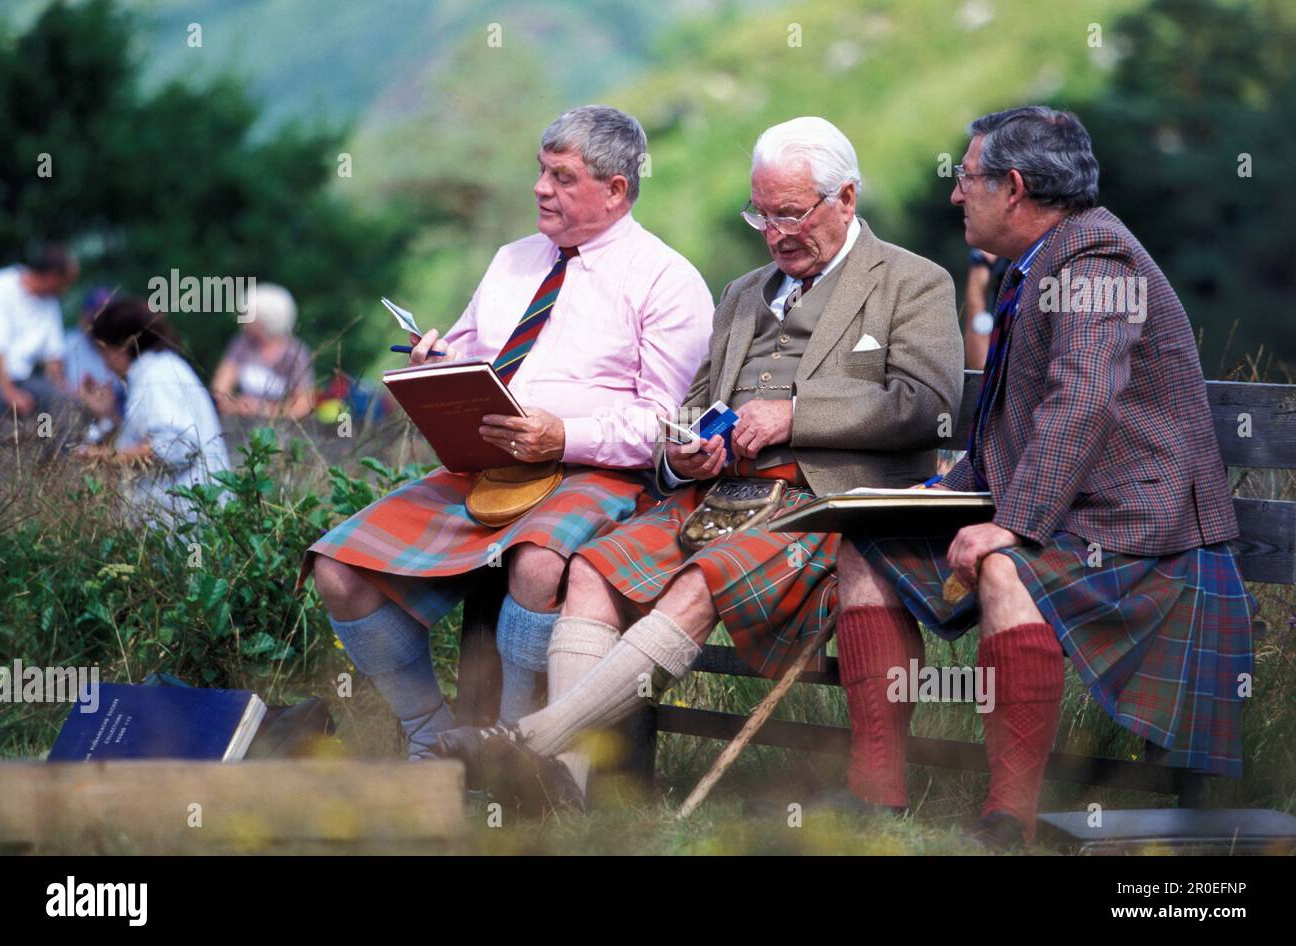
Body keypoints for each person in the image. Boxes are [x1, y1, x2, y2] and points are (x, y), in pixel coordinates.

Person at [431, 116, 965, 812]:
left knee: (700, 579)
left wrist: (795, 414)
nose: (776, 233)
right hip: (716, 495)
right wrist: (687, 451)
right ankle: (569, 783)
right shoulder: (744, 292)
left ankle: (530, 741)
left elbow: (927, 404)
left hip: (824, 505)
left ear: (846, 199)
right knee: (592, 570)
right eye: (762, 215)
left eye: (792, 214)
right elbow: (690, 406)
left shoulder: (911, 282)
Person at [834, 106, 1253, 849]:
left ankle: (1009, 818)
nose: (956, 194)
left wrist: (1015, 522)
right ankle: (874, 799)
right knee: (865, 546)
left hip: (1134, 529)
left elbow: (1082, 395)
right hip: (1070, 509)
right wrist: (923, 498)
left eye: (967, 179)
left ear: (1015, 186)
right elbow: (1014, 424)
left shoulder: (1096, 262)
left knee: (1003, 567)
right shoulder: (1036, 265)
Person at [300, 105, 714, 761]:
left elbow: (666, 425)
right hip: (486, 472)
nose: (540, 188)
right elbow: (472, 358)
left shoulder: (668, 280)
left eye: (562, 176)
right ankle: (427, 732)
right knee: (336, 569)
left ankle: (513, 747)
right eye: (540, 171)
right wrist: (436, 367)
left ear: (616, 190)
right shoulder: (513, 261)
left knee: (537, 562)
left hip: (596, 475)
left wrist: (564, 437)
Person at [79, 297, 230, 525]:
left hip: (186, 524)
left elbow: (177, 447)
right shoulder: (159, 369)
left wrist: (101, 457)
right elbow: (153, 433)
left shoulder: (156, 376)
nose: (105, 364)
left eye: (104, 352)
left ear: (122, 345)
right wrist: (108, 414)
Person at [0, 244, 79, 417]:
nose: (66, 290)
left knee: (68, 403)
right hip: (0, 378)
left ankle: (60, 444)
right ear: (53, 277)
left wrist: (65, 388)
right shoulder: (1, 286)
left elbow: (54, 354)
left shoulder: (50, 301)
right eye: (66, 284)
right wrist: (9, 392)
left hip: (23, 378)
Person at [211, 283, 315, 421]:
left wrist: (262, 409)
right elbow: (219, 389)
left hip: (282, 432)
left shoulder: (295, 352)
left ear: (265, 320)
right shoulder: (242, 344)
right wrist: (233, 405)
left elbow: (304, 405)